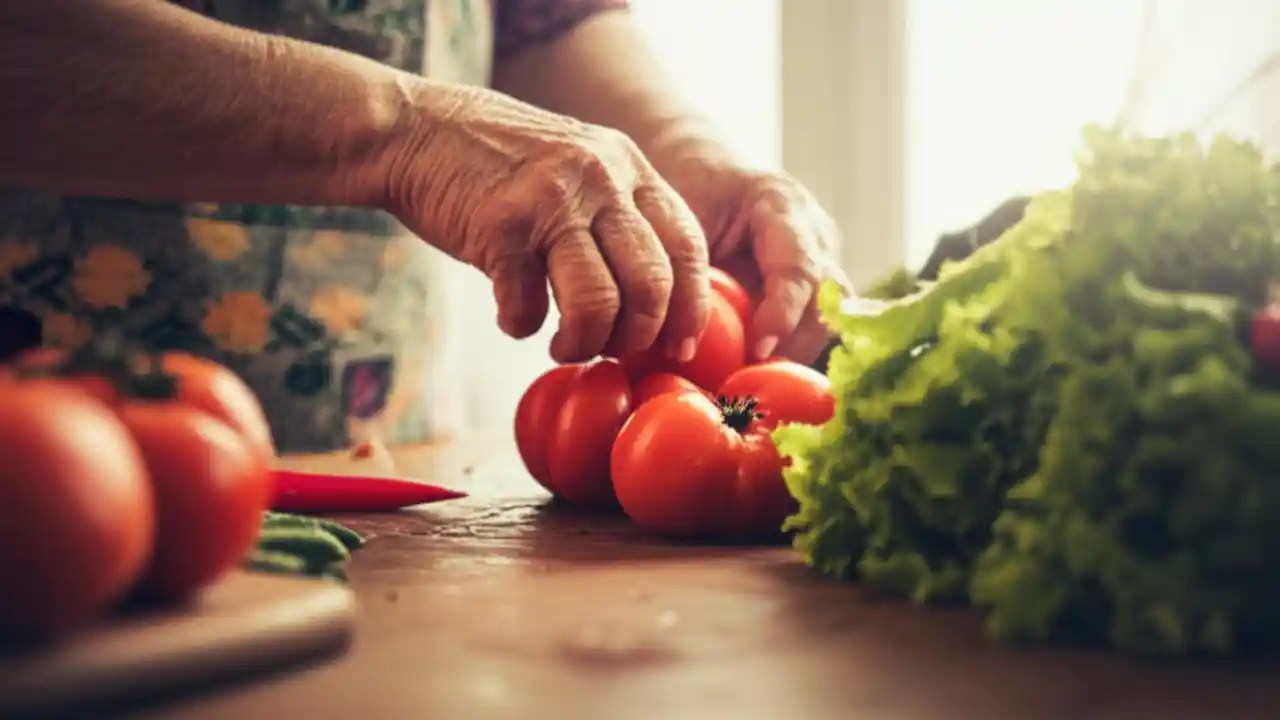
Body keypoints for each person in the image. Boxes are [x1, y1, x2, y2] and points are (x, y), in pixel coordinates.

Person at [0, 1, 849, 452]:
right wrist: (399, 130)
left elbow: (542, 15)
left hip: (384, 453)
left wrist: (683, 156)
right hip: (40, 445)